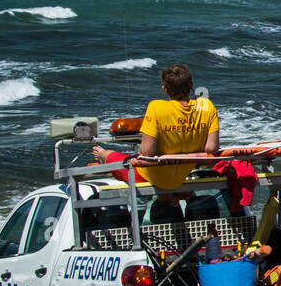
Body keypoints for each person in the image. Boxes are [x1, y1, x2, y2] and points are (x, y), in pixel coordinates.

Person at [93, 64, 220, 212]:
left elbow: (147, 153)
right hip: (181, 174)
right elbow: (211, 148)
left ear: (164, 89)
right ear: (191, 86)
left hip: (152, 175)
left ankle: (101, 155)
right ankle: (171, 198)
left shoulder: (156, 107)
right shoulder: (206, 106)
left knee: (108, 154)